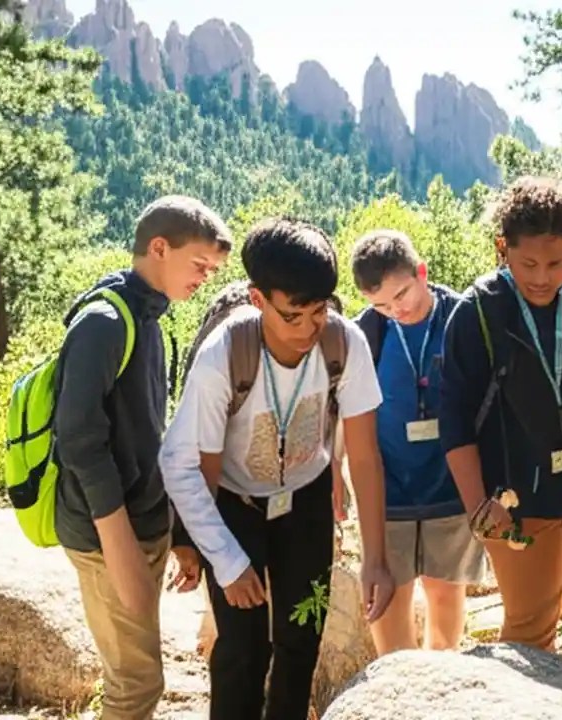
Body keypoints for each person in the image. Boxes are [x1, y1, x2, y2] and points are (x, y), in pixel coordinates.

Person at [159, 218, 394, 720]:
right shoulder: (226, 353)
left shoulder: (344, 344)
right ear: (257, 299)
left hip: (305, 501)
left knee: (301, 640)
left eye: (319, 311)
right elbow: (179, 463)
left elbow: (365, 456)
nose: (309, 328)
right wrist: (222, 557)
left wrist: (376, 557)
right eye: (293, 315)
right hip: (234, 506)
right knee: (242, 651)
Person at [55, 195, 231, 719]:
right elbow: (79, 439)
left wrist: (175, 533)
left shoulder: (148, 319)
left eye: (213, 270)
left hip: (142, 524)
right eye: (199, 264)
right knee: (135, 686)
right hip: (108, 534)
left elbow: (149, 438)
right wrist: (121, 545)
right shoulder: (104, 323)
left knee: (138, 679)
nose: (205, 278)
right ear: (159, 248)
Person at [439, 175, 562, 652]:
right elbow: (453, 418)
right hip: (513, 497)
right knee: (532, 628)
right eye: (528, 264)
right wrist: (479, 506)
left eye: (557, 263)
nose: (542, 277)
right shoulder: (480, 311)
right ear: (504, 248)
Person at [349, 229, 487, 654]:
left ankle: (442, 679)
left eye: (402, 294)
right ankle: (395, 683)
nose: (397, 310)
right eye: (382, 305)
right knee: (389, 596)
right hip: (389, 489)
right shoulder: (366, 332)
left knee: (445, 592)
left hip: (450, 485)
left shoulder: (461, 318)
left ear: (421, 273)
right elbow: (348, 412)